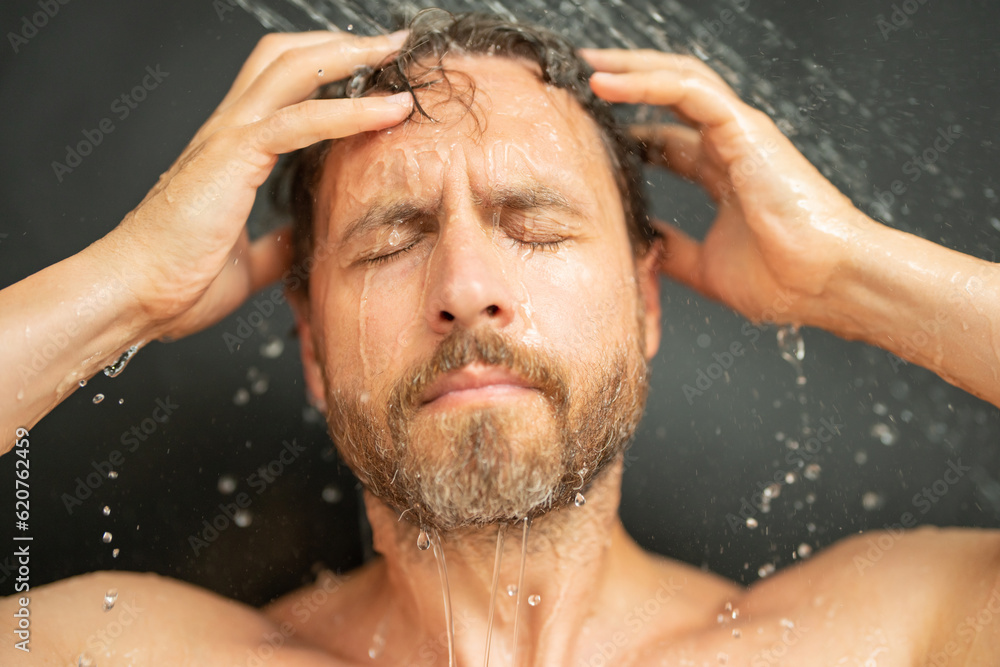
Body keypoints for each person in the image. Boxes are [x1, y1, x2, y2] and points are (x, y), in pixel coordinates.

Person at [2, 9, 999, 666]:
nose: (466, 289)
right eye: (393, 240)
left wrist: (851, 273)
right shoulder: (124, 653)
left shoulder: (881, 639)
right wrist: (126, 287)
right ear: (310, 346)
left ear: (646, 306)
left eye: (533, 225)